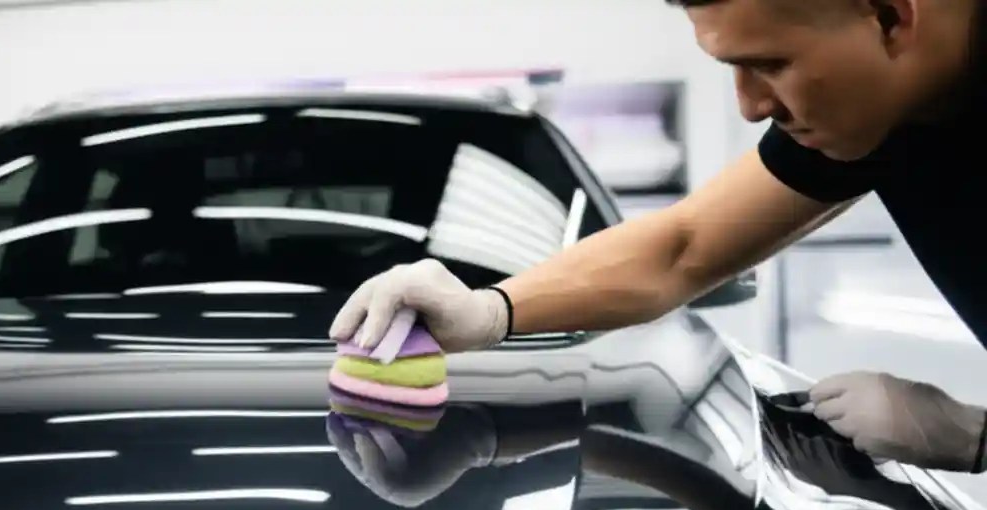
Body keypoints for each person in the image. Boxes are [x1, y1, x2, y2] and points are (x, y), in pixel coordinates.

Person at [329, 0, 987, 474]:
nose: (750, 106)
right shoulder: (878, 108)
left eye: (771, 64)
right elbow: (683, 248)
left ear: (892, 15)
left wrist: (971, 438)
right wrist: (489, 309)